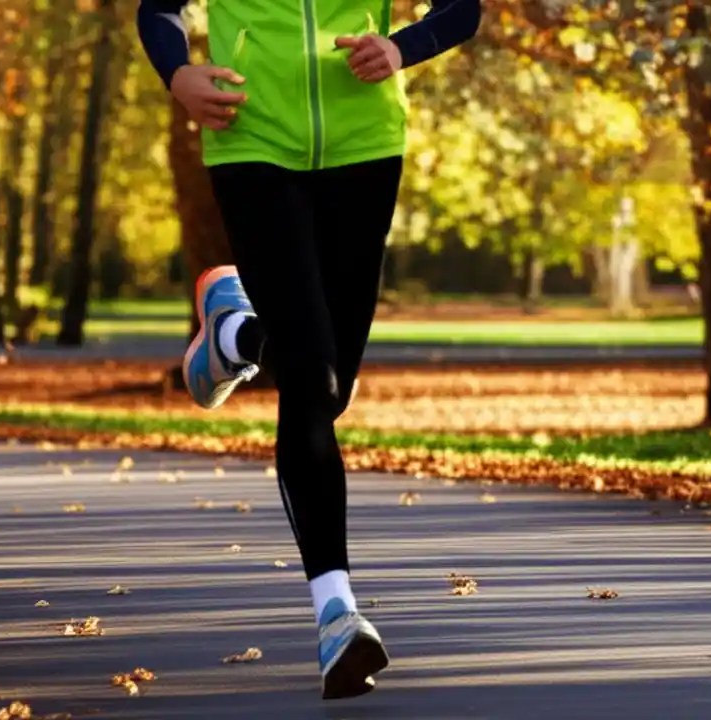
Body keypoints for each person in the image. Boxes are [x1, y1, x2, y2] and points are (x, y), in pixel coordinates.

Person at [136, 0, 481, 700]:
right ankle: (337, 613)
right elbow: (159, 8)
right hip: (250, 138)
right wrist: (178, 75)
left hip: (366, 142)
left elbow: (464, 8)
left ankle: (236, 334)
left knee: (328, 389)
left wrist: (400, 49)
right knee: (311, 377)